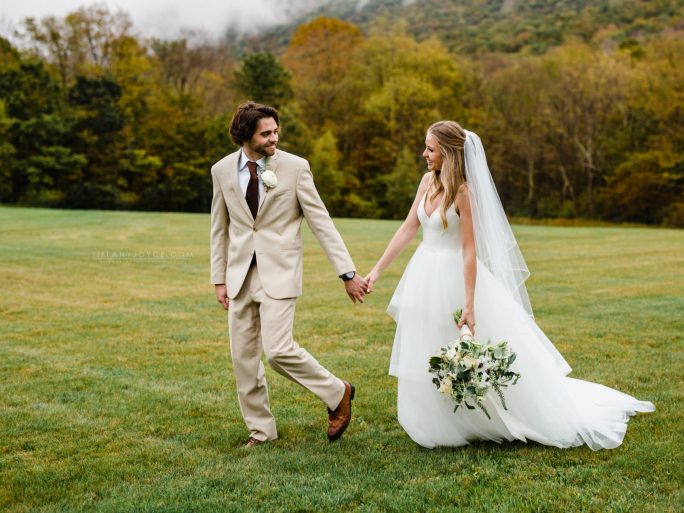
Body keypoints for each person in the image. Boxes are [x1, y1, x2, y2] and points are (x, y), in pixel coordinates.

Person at [364, 120, 654, 449]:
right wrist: (376, 272)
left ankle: (477, 417)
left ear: (447, 152)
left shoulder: (463, 192)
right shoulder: (426, 183)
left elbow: (470, 251)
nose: (424, 154)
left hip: (454, 278)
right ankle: (435, 420)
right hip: (423, 275)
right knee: (426, 344)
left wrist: (470, 305)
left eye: (430, 149)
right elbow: (407, 229)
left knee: (457, 345)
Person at [210, 101, 367, 447]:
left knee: (278, 350)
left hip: (279, 273)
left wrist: (347, 273)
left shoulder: (295, 168)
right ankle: (261, 432)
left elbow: (321, 222)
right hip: (238, 276)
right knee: (243, 360)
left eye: (276, 131)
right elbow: (219, 228)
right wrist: (219, 278)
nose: (274, 138)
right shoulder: (221, 171)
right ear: (245, 135)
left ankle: (336, 392)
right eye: (266, 133)